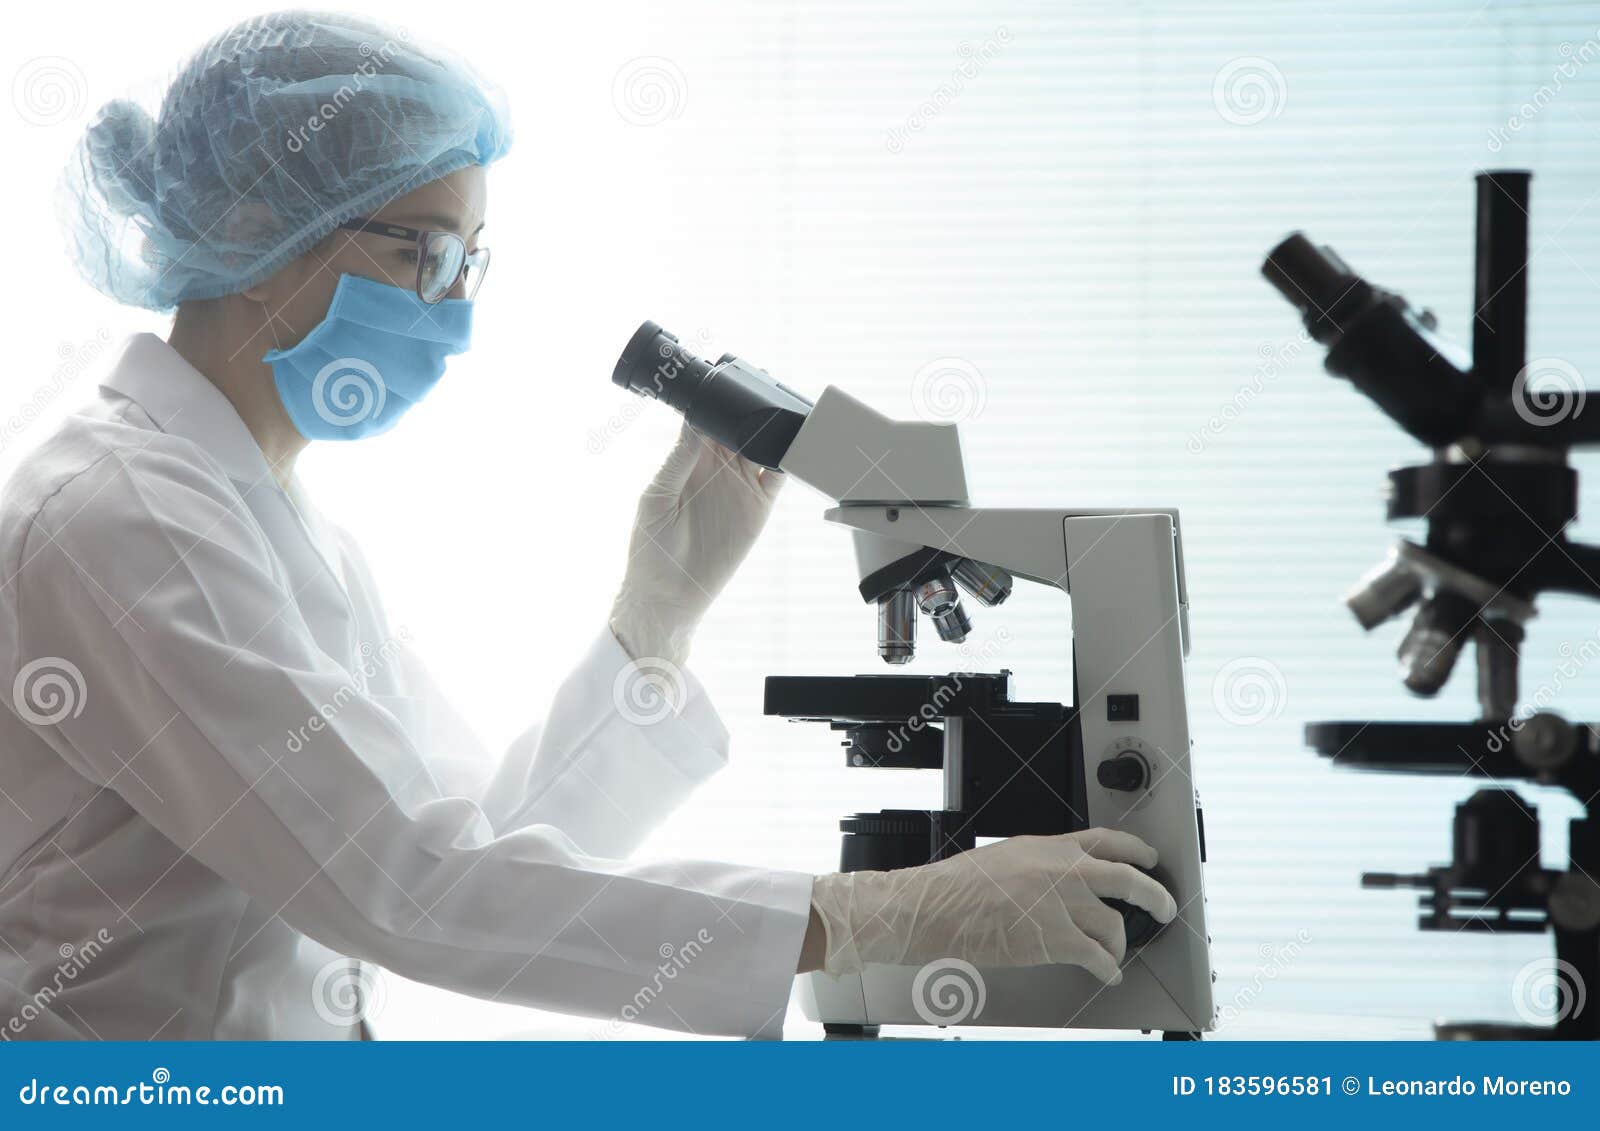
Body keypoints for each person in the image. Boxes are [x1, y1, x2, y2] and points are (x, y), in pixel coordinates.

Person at [0, 11, 1176, 1041]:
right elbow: (415, 890)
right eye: (425, 251)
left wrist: (656, 612)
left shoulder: (275, 525)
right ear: (255, 230)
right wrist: (892, 914)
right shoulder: (121, 521)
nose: (455, 310)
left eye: (471, 263)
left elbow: (487, 840)